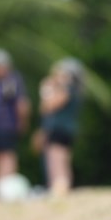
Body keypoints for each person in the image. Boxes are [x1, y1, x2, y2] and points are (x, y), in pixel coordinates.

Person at [0, 48, 30, 193]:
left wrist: (22, 123)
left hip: (7, 126)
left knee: (7, 156)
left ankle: (6, 189)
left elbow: (22, 104)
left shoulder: (10, 81)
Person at [37, 58, 83, 198]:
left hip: (60, 130)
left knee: (57, 161)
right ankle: (62, 188)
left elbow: (48, 106)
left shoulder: (68, 90)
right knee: (62, 160)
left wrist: (46, 91)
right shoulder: (73, 90)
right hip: (65, 130)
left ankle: (60, 189)